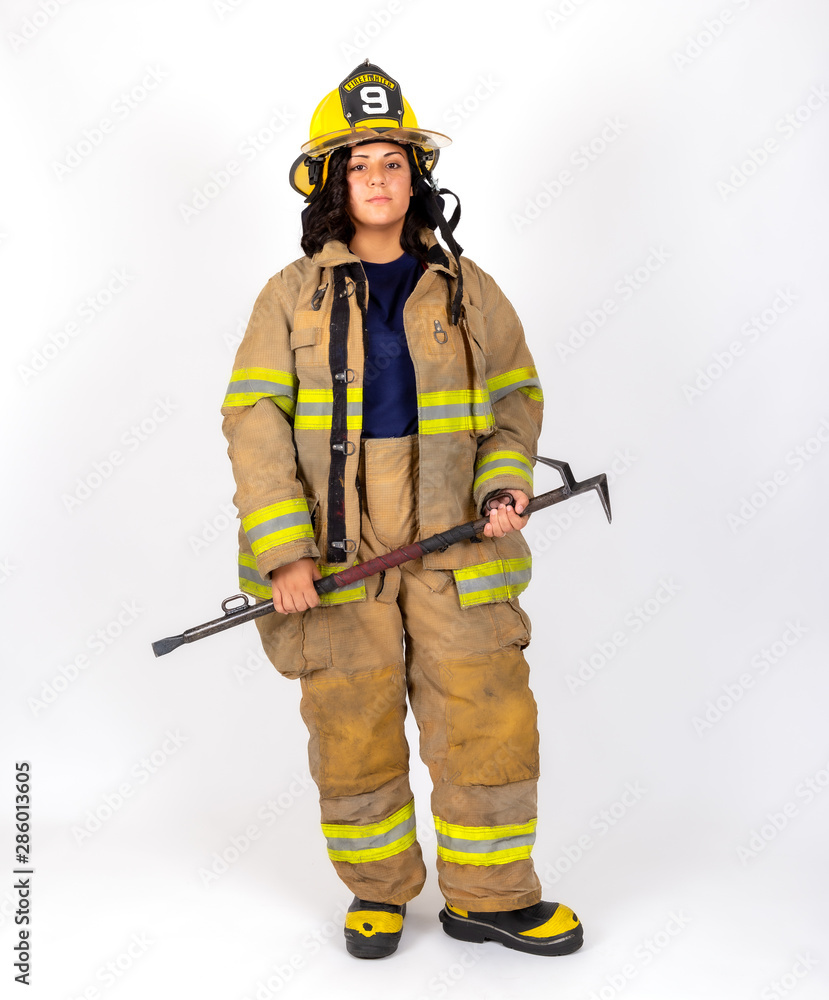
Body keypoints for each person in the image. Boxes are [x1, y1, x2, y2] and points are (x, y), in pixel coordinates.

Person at [221, 60, 583, 960]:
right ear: (331, 186)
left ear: (414, 178)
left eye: (391, 162)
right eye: (357, 165)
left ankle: (489, 897)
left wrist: (505, 484)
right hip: (338, 559)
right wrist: (285, 555)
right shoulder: (286, 296)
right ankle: (377, 894)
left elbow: (513, 401)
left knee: (487, 719)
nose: (376, 179)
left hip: (459, 548)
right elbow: (253, 423)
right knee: (352, 729)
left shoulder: (469, 288)